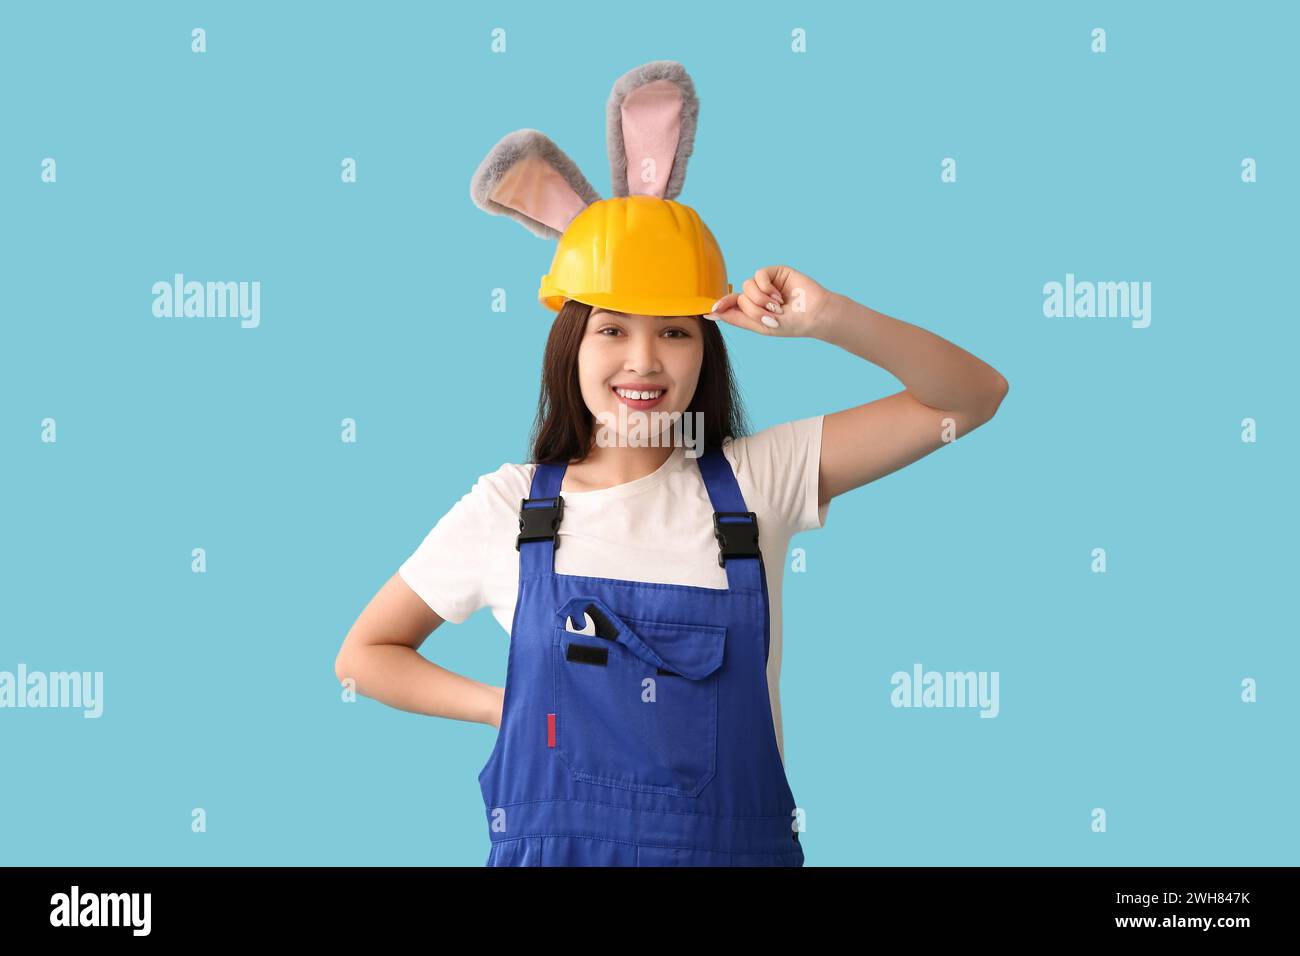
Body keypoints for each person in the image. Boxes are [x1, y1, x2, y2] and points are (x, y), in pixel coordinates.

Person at [334, 61, 1008, 866]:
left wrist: (828, 318)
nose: (643, 362)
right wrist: (507, 704)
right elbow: (365, 657)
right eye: (612, 329)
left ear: (705, 348)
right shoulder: (508, 510)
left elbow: (968, 398)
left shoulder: (760, 482)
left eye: (675, 331)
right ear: (570, 344)